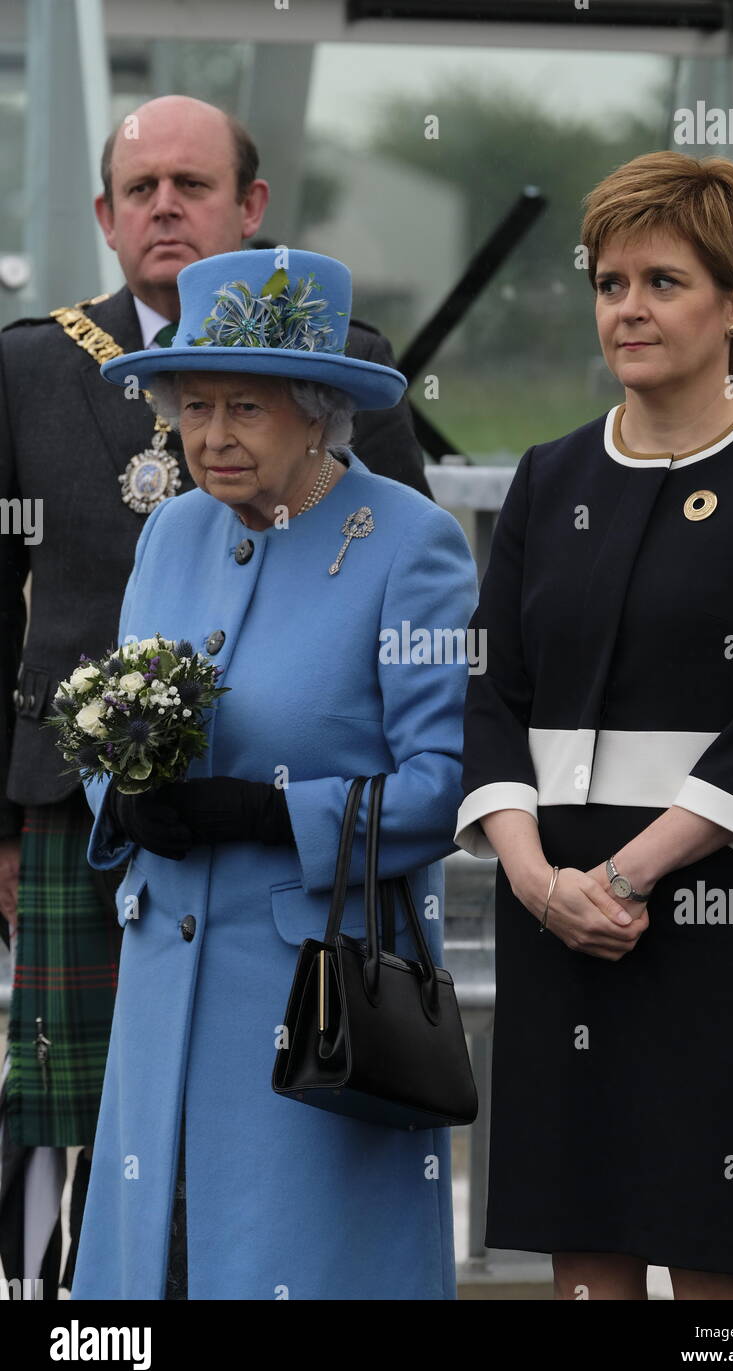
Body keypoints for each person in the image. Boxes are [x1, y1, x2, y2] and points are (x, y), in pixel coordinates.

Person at [0, 94, 429, 1296]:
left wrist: (265, 809)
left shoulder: (358, 397)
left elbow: (388, 560)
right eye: (141, 190)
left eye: (192, 185)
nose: (165, 208)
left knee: (252, 1180)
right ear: (104, 214)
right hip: (91, 834)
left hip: (288, 885)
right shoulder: (33, 363)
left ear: (250, 206)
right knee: (63, 1123)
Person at [455, 151, 733, 1301]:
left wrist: (623, 880)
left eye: (662, 281)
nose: (625, 308)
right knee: (579, 1253)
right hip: (555, 903)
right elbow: (492, 692)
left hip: (717, 911)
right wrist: (539, 881)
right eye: (608, 282)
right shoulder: (545, 477)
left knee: (713, 1259)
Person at [69, 245, 476, 1300]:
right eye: (193, 406)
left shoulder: (408, 544)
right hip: (163, 984)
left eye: (244, 408)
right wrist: (122, 799)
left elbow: (442, 785)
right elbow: (112, 717)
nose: (211, 437)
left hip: (317, 1003)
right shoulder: (172, 530)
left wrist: (266, 812)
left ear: (316, 410)